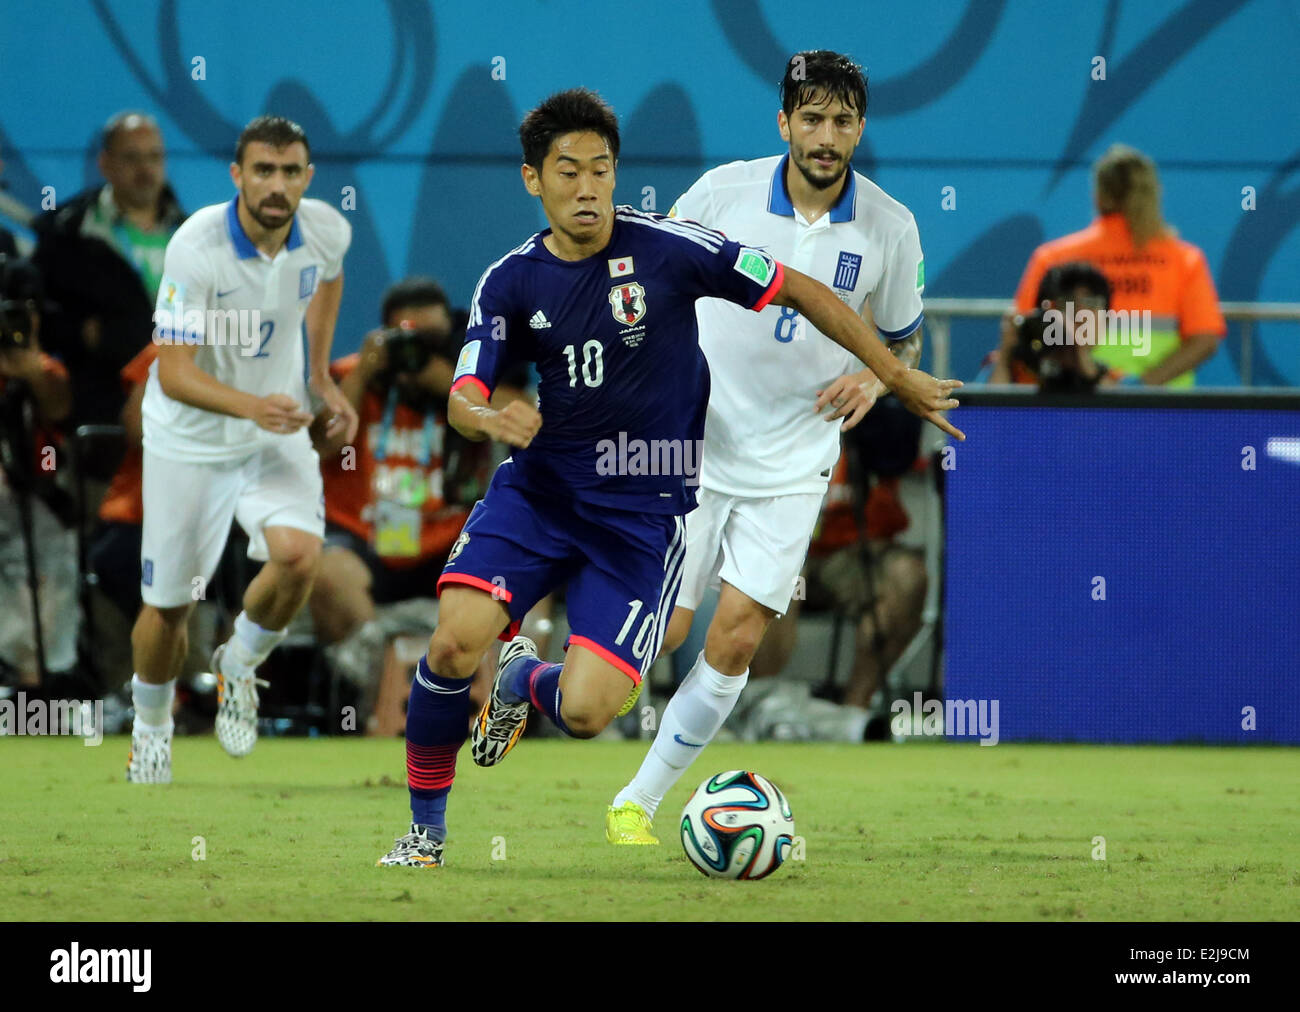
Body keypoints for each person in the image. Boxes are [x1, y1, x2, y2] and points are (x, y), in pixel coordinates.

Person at [376, 87, 962, 868]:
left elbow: (802, 289)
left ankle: (526, 681)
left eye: (601, 170)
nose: (587, 188)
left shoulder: (671, 248)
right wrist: (490, 420)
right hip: (540, 495)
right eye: (567, 172)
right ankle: (425, 832)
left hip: (643, 517)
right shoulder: (509, 281)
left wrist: (893, 373)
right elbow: (462, 397)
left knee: (590, 710)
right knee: (453, 642)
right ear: (532, 180)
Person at [602, 51, 929, 844]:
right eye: (811, 119)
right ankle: (535, 679)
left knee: (739, 634)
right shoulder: (722, 193)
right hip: (695, 446)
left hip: (795, 460)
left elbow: (904, 342)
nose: (826, 136)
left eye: (842, 121)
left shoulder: (890, 227)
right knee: (664, 635)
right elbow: (651, 278)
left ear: (860, 128)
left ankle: (635, 804)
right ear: (783, 123)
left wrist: (876, 382)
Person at [126, 115, 357, 784]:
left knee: (298, 557)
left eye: (290, 172)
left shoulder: (325, 229)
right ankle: (151, 725)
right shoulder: (195, 246)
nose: (276, 185)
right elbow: (173, 372)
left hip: (272, 430)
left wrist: (317, 376)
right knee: (169, 607)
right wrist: (256, 405)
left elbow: (331, 277)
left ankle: (238, 665)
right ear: (238, 176)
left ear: (307, 179)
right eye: (263, 170)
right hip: (187, 442)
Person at [309, 277, 526, 724]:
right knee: (327, 571)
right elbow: (321, 445)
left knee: (522, 569)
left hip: (448, 543)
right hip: (364, 542)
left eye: (430, 339)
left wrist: (442, 381)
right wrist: (364, 372)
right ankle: (380, 691)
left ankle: (503, 698)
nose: (415, 351)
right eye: (405, 339)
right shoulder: (351, 376)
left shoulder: (468, 386)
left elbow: (525, 416)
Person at [1011, 144, 1225, 388]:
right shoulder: (1184, 259)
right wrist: (1141, 388)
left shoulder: (1054, 257)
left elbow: (1024, 332)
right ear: (1154, 193)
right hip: (1164, 410)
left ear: (1099, 195)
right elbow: (1205, 340)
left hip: (1072, 401)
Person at [32, 112, 186, 439]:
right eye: (132, 157)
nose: (146, 169)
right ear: (105, 164)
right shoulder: (67, 234)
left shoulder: (194, 235)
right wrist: (85, 334)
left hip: (185, 414)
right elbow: (41, 320)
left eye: (154, 157)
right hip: (103, 418)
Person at [0, 256, 76, 685]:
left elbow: (59, 410)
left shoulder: (46, 369)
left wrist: (28, 372)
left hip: (39, 495)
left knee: (48, 583)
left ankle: (35, 684)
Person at [990, 261, 1115, 389]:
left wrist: (1082, 361)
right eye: (1067, 302)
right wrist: (1004, 359)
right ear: (1043, 314)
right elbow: (988, 407)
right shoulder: (1011, 367)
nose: (1080, 313)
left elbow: (1117, 406)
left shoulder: (1116, 378)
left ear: (1106, 319)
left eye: (1091, 303)